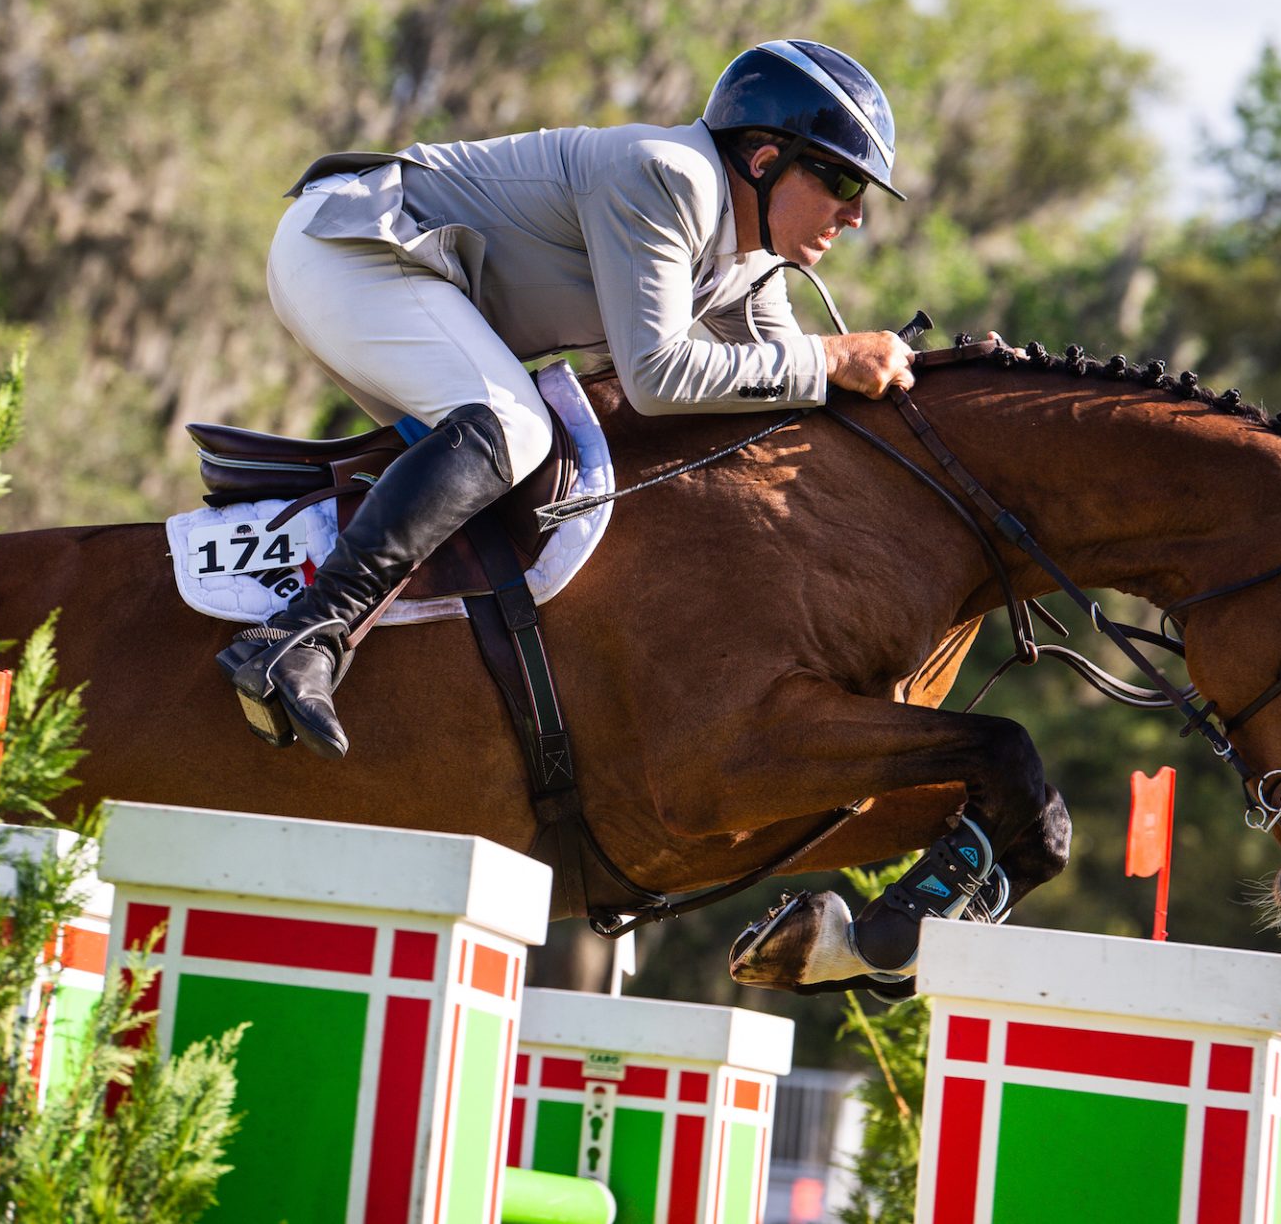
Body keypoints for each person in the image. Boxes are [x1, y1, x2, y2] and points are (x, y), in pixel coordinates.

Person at [219, 38, 918, 762]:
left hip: (387, 270)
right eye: (840, 179)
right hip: (351, 248)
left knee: (499, 486)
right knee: (514, 429)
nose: (855, 214)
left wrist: (920, 386)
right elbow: (659, 377)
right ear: (765, 160)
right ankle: (300, 635)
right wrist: (831, 356)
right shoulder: (668, 174)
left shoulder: (753, 264)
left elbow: (786, 391)